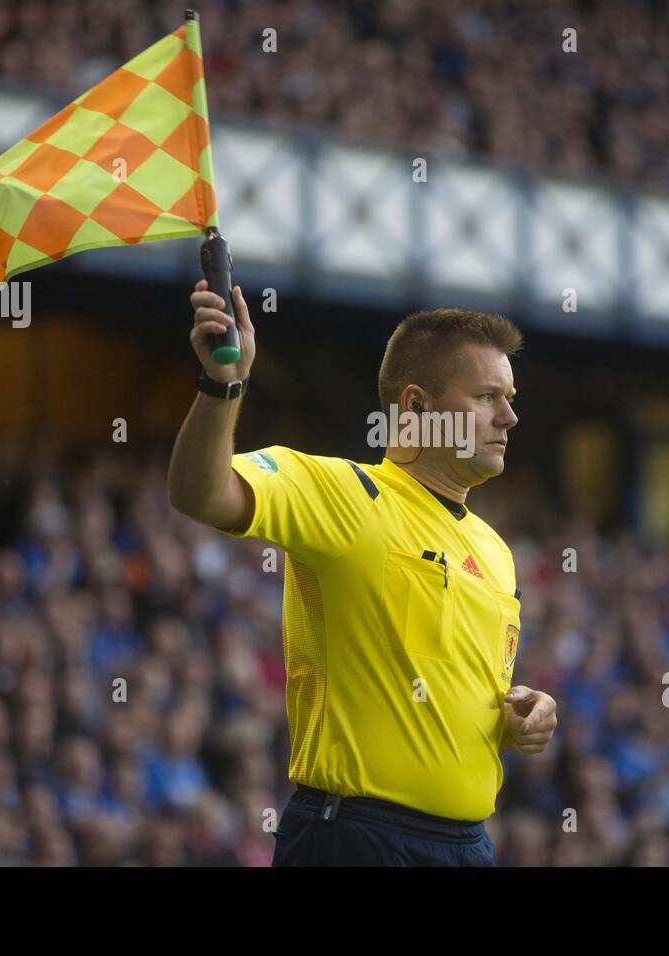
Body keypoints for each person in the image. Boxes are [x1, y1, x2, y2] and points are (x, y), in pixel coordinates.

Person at [167, 280, 558, 866]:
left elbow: (449, 695)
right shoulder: (345, 493)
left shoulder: (496, 551)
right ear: (418, 407)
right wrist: (224, 383)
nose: (510, 416)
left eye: (509, 396)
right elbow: (202, 493)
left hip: (470, 845)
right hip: (356, 837)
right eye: (486, 397)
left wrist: (522, 713)